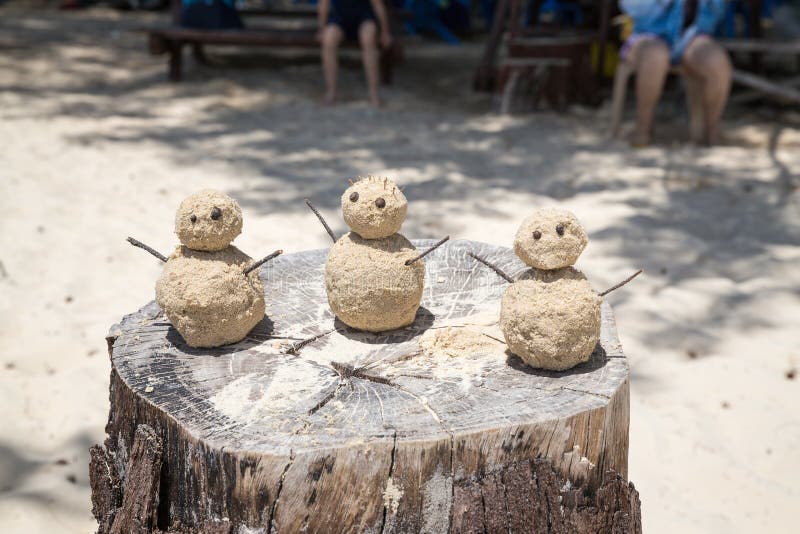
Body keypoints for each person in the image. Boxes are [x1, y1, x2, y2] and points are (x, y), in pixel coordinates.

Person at [621, 0, 731, 146]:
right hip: (648, 34)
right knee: (655, 57)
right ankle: (642, 130)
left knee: (717, 61)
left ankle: (711, 133)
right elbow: (634, 9)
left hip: (692, 37)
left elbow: (718, 13)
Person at [317, 0, 393, 107]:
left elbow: (378, 5)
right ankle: (331, 92)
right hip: (340, 18)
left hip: (364, 18)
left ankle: (374, 94)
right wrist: (321, 28)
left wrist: (385, 32)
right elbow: (324, 4)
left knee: (368, 39)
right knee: (329, 40)